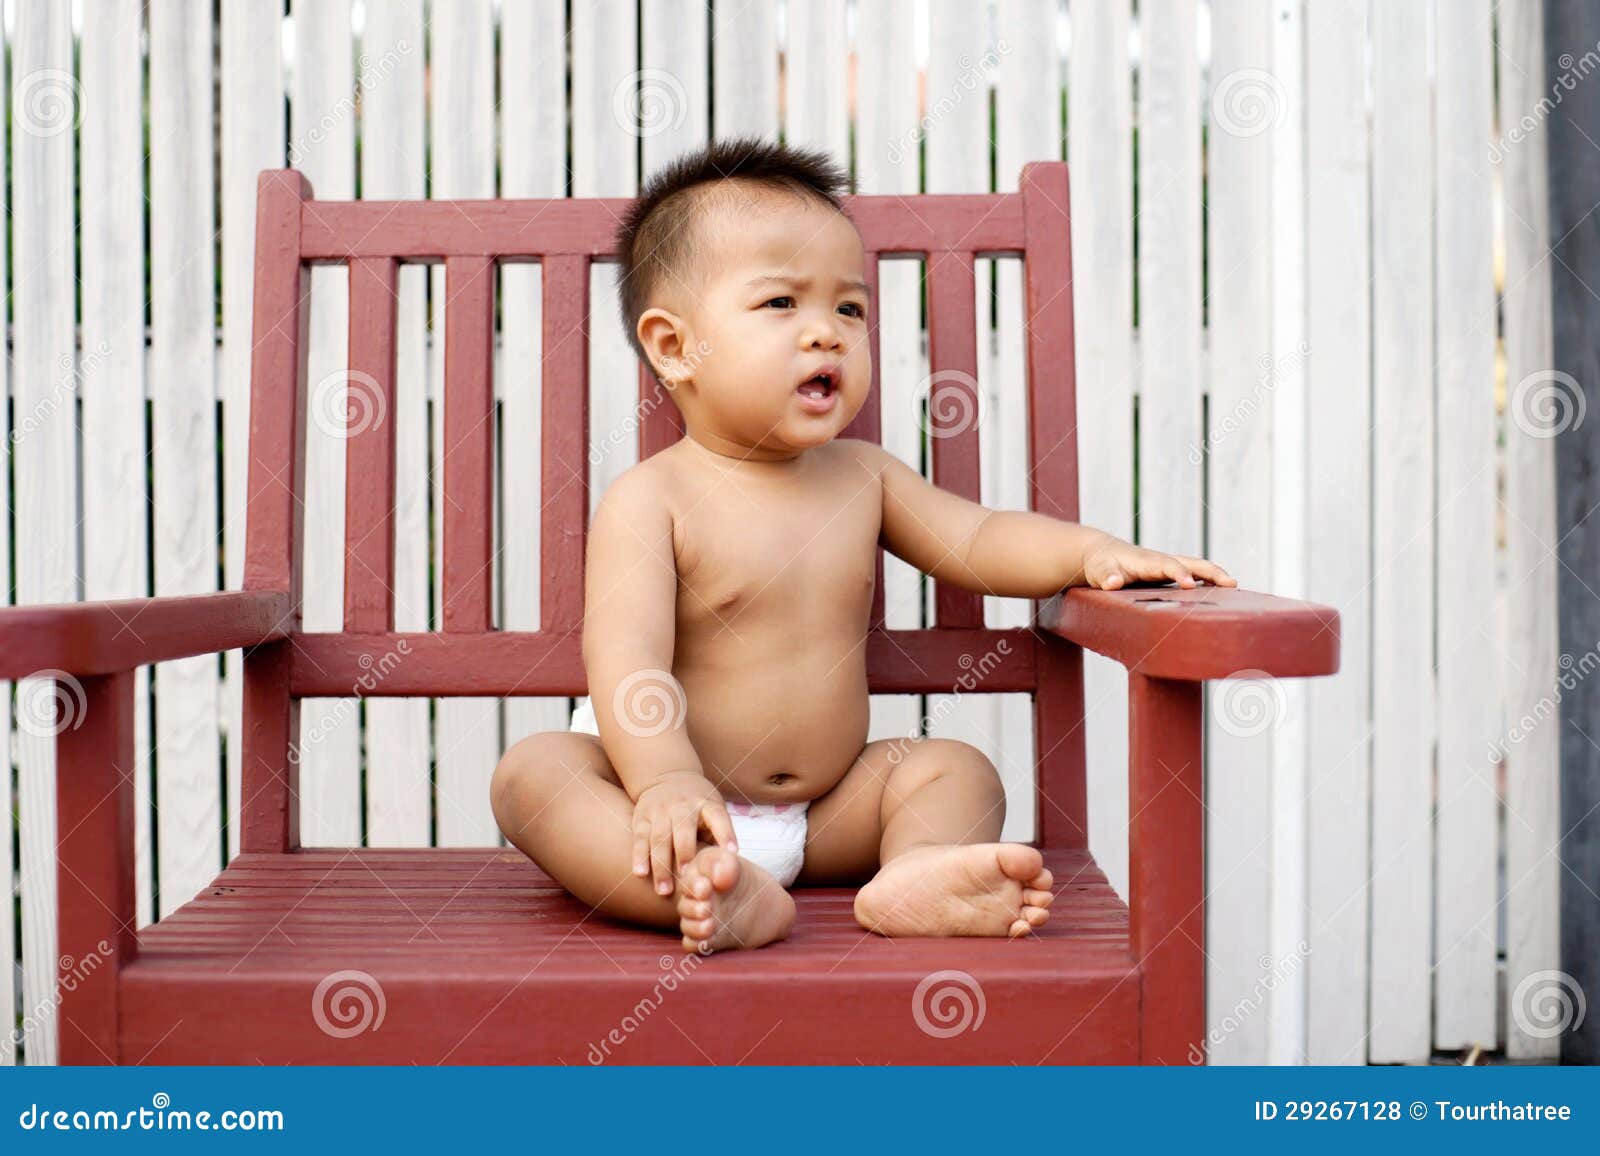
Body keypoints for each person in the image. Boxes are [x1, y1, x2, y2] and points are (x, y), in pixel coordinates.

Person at [490, 137, 1235, 954]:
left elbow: (978, 537)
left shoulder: (864, 478)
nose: (827, 334)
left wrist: (1091, 553)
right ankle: (709, 893)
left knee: (955, 769)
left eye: (850, 309)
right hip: (669, 807)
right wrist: (665, 779)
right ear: (674, 347)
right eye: (781, 302)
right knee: (535, 776)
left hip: (829, 814)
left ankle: (914, 874)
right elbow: (628, 661)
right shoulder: (652, 498)